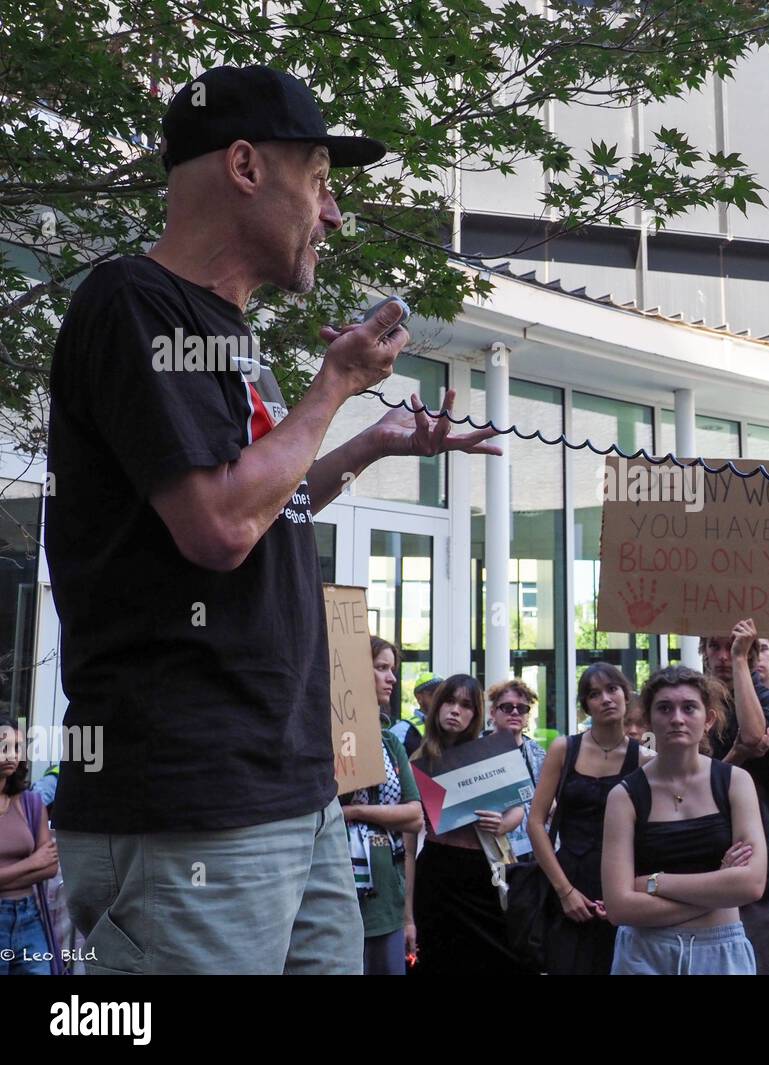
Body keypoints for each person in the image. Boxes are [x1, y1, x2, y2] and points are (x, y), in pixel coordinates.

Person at [44, 65, 501, 975]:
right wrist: (333, 386)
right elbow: (217, 526)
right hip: (191, 809)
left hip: (297, 794)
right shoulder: (131, 302)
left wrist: (366, 447)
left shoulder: (232, 338)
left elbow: (264, 507)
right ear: (246, 166)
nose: (332, 215)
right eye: (322, 182)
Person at [602, 666, 767, 975]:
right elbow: (619, 907)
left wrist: (654, 882)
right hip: (644, 955)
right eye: (665, 708)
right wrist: (720, 889)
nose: (677, 718)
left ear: (709, 720)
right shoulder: (624, 796)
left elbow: (752, 883)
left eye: (689, 707)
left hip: (721, 953)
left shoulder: (735, 782)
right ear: (650, 720)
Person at [526, 663, 653, 974]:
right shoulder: (564, 749)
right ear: (586, 706)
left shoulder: (645, 759)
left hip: (621, 885)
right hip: (567, 879)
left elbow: (649, 834)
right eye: (595, 694)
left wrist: (629, 895)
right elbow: (535, 822)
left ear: (626, 695)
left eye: (612, 690)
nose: (606, 699)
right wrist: (564, 891)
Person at [409, 675, 528, 976]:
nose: (455, 710)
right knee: (438, 960)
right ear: (436, 706)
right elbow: (409, 844)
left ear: (475, 714)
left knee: (496, 958)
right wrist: (406, 914)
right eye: (449, 701)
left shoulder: (490, 752)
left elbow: (519, 809)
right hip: (436, 874)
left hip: (485, 870)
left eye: (465, 705)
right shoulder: (419, 759)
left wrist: (501, 823)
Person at [702, 620, 769, 974]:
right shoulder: (693, 708)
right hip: (702, 845)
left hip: (758, 851)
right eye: (715, 647)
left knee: (765, 958)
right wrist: (735, 756)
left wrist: (742, 660)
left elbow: (755, 737)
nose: (724, 656)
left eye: (733, 648)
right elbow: (688, 780)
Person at [340, 638, 424, 975]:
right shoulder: (331, 736)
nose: (391, 678)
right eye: (381, 668)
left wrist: (355, 813)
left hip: (387, 890)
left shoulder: (390, 740)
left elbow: (415, 816)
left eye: (393, 670)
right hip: (340, 886)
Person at [0, 717, 60, 975]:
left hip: (29, 917)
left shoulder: (31, 803)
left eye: (16, 747)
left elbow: (50, 867)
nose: (12, 755)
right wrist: (30, 864)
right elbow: (40, 863)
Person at [485, 678, 548, 859]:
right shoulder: (478, 751)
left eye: (521, 708)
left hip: (534, 851)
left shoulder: (538, 754)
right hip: (492, 848)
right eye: (507, 707)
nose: (514, 712)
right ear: (492, 712)